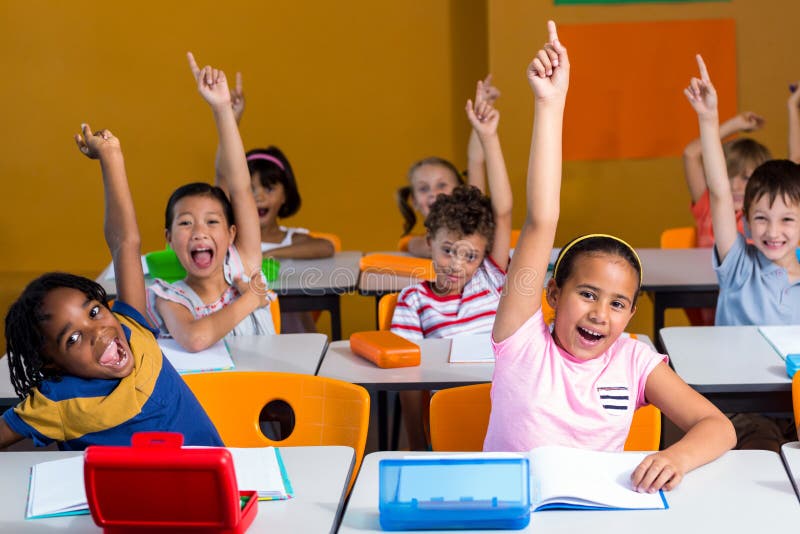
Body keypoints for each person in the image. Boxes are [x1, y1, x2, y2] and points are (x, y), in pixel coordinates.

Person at [483, 22, 735, 494]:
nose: (601, 313)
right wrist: (549, 104)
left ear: (632, 313)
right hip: (511, 513)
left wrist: (675, 455)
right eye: (588, 294)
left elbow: (718, 426)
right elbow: (542, 219)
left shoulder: (634, 359)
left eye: (618, 304)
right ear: (553, 293)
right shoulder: (520, 339)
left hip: (593, 514)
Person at [0, 125, 223, 450]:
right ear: (50, 362)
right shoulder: (56, 403)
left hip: (213, 493)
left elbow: (124, 244)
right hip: (123, 503)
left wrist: (110, 156)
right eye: (72, 338)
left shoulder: (133, 327)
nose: (98, 332)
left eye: (94, 311)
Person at [685, 53, 800, 450]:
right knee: (765, 453)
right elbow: (718, 192)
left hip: (795, 405)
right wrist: (709, 117)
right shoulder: (739, 268)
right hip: (742, 409)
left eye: (787, 221)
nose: (773, 231)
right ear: (745, 222)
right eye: (762, 219)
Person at [390, 79, 513, 448]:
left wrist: (489, 136)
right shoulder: (413, 300)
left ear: (483, 254)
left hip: (505, 408)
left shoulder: (492, 274)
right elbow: (407, 378)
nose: (457, 264)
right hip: (449, 416)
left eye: (470, 255)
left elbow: (502, 211)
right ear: (430, 244)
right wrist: (416, 443)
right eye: (447, 251)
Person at [147, 53, 273, 351]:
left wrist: (222, 109)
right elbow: (195, 338)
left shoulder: (244, 266)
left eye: (212, 222)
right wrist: (252, 299)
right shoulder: (169, 297)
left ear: (231, 233)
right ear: (168, 237)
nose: (199, 232)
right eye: (186, 222)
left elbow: (240, 187)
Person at [397, 75, 501, 258]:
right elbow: (430, 246)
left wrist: (483, 115)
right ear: (413, 201)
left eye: (441, 185)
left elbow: (475, 160)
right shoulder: (412, 242)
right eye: (423, 188)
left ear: (460, 191)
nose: (433, 193)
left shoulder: (477, 227)